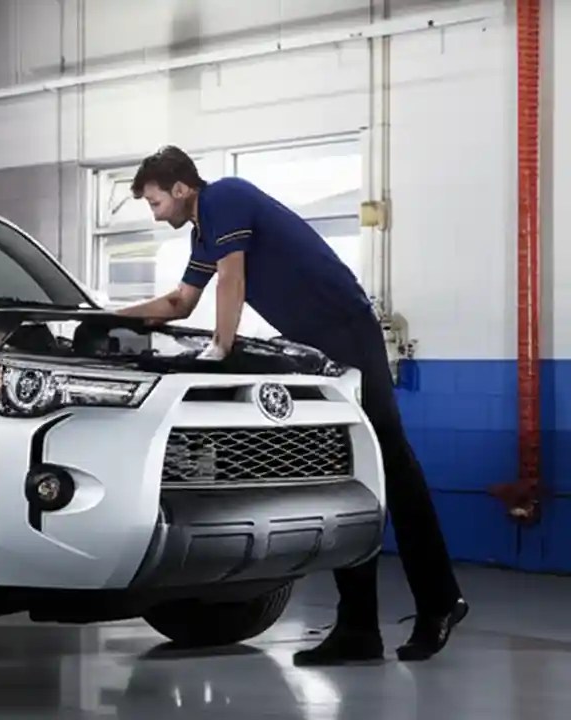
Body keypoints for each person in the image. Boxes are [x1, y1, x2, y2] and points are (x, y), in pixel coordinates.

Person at [115, 145, 468, 666]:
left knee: (390, 464)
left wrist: (221, 346)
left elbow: (231, 277)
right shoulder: (204, 231)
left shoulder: (225, 198)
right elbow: (179, 302)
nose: (154, 212)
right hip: (314, 344)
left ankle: (440, 600)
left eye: (154, 202)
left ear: (181, 189)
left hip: (347, 330)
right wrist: (105, 317)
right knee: (349, 472)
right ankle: (357, 629)